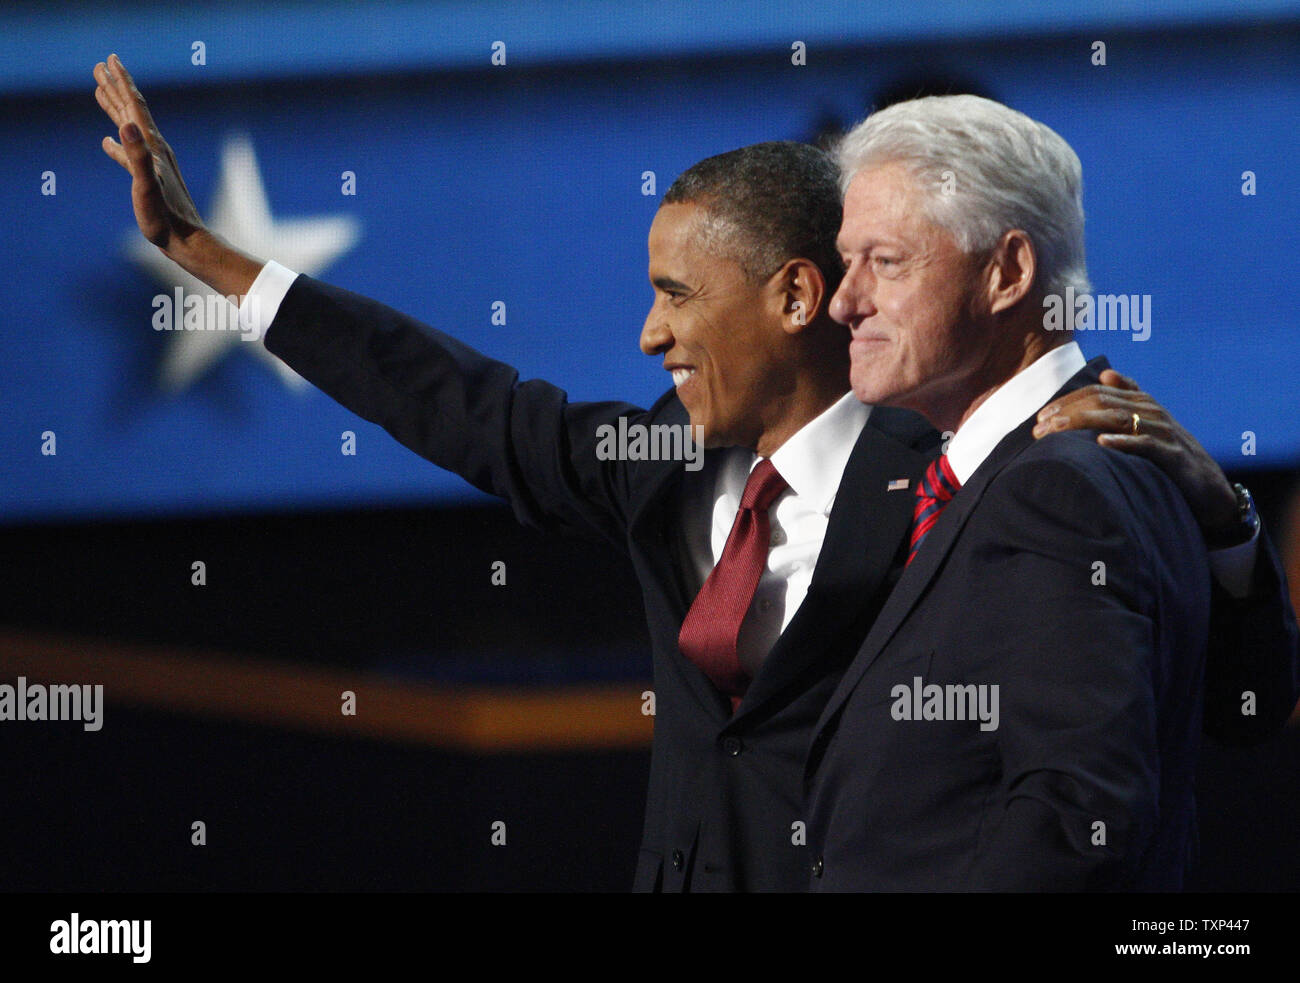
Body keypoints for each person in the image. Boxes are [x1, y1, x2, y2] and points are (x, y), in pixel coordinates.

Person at [94, 55, 1296, 891]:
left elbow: (1124, 773)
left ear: (791, 297)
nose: (648, 335)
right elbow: (458, 402)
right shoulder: (662, 469)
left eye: (677, 295)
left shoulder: (971, 477)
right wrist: (215, 261)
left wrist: (1223, 523)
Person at [804, 93, 1299, 891]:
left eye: (885, 263)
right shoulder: (1117, 461)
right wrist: (1229, 527)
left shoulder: (1054, 489)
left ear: (1007, 272)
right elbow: (1246, 703)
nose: (843, 301)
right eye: (845, 261)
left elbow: (1079, 818)